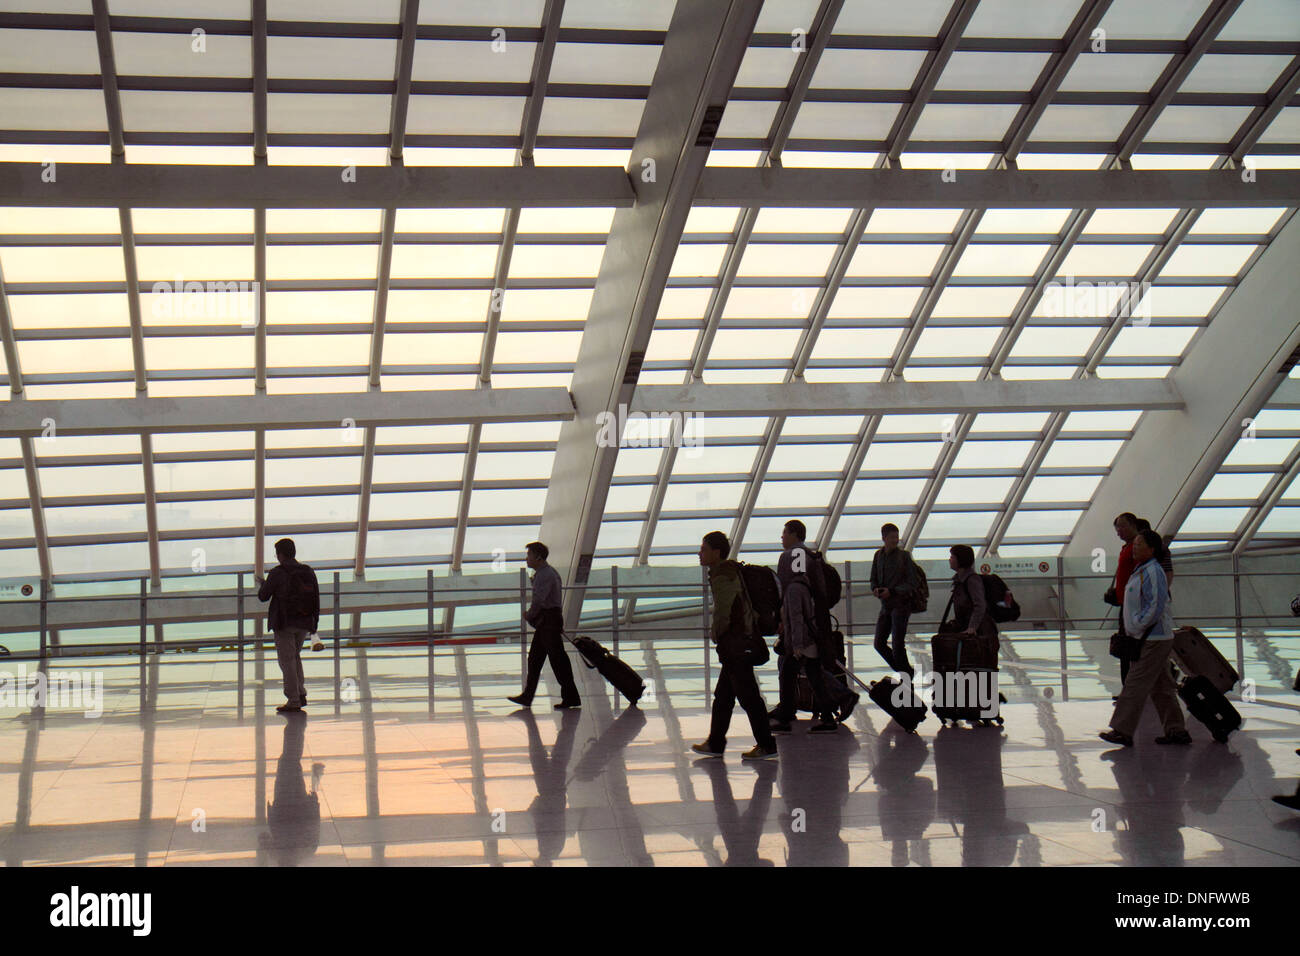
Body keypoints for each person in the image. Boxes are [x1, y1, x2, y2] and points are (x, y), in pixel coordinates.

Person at [1099, 529, 1191, 747]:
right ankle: (1176, 731)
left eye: (1139, 544)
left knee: (1135, 683)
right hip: (1149, 637)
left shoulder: (1153, 572)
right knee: (1161, 686)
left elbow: (1157, 604)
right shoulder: (1141, 570)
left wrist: (1139, 624)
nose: (1134, 548)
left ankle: (1122, 730)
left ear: (1151, 549)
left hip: (1153, 639)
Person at [692, 531, 778, 761]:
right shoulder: (728, 571)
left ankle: (767, 745)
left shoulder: (723, 575)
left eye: (704, 549)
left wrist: (716, 632)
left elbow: (724, 609)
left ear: (716, 552)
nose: (699, 553)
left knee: (748, 697)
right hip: (738, 644)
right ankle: (716, 743)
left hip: (736, 644)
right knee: (723, 696)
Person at [772, 519, 858, 723]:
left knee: (793, 665)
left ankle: (787, 711)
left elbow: (794, 597)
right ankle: (824, 710)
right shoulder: (810, 556)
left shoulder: (791, 558)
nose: (782, 537)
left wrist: (795, 637)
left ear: (794, 534)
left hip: (803, 628)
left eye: (785, 533)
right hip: (816, 622)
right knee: (810, 669)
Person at [769, 557, 838, 735]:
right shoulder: (807, 585)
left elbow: (796, 617)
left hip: (803, 642)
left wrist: (796, 645)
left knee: (787, 675)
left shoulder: (793, 588)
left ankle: (785, 718)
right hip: (812, 639)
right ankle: (828, 718)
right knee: (815, 678)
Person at [509, 542, 580, 709]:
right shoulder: (547, 573)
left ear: (538, 557)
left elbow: (539, 600)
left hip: (548, 623)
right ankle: (529, 695)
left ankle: (570, 696)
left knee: (556, 659)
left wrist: (530, 615)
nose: (526, 558)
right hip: (549, 622)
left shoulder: (544, 575)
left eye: (529, 555)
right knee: (538, 658)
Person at [256, 537, 320, 713]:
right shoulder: (307, 571)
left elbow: (263, 596)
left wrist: (263, 584)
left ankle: (293, 699)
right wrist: (314, 623)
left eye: (277, 554)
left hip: (285, 622)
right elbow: (315, 597)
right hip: (304, 621)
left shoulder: (278, 572)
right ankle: (300, 692)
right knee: (295, 657)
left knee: (287, 660)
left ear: (281, 555)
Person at [870, 522, 919, 675]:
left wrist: (892, 591)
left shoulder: (903, 556)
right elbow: (873, 578)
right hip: (886, 606)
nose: (895, 540)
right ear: (884, 538)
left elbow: (912, 582)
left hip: (901, 605)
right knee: (879, 643)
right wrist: (875, 589)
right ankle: (904, 671)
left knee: (898, 644)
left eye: (896, 537)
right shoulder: (878, 556)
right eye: (892, 537)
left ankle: (904, 673)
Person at [1108, 512, 1140, 695]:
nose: (1119, 531)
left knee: (1128, 646)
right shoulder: (1127, 547)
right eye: (1117, 528)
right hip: (1125, 603)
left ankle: (1130, 688)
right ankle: (1128, 687)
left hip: (1132, 605)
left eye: (1122, 526)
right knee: (1126, 646)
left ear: (1133, 525)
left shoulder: (1136, 547)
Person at [947, 544, 996, 640]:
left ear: (960, 559)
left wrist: (972, 627)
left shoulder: (972, 580)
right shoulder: (960, 580)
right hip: (966, 627)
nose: (949, 560)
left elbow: (980, 604)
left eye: (952, 557)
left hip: (977, 632)